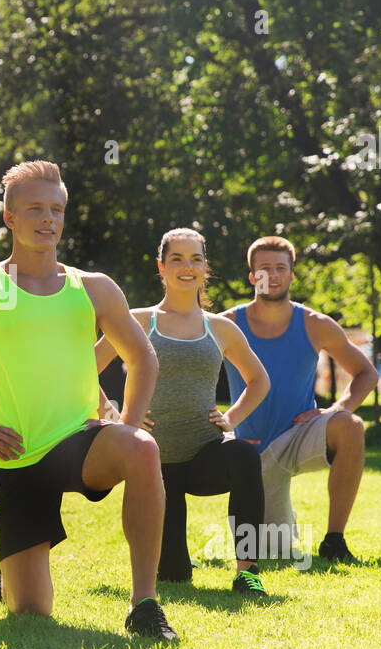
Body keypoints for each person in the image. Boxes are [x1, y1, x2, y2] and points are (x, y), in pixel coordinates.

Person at [0, 160, 176, 640]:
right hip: (17, 458)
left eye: (56, 209)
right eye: (35, 209)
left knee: (142, 448)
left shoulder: (94, 288)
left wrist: (128, 424)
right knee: (30, 614)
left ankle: (144, 604)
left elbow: (143, 358)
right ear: (10, 218)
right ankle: (10, 572)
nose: (48, 219)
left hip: (80, 442)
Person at [96, 228, 271, 595]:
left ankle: (247, 571)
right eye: (176, 258)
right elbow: (84, 369)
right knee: (174, 576)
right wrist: (113, 414)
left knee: (243, 454)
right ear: (161, 266)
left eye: (195, 259)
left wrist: (232, 418)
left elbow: (259, 380)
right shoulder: (139, 320)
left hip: (204, 455)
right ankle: (176, 559)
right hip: (155, 466)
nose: (186, 267)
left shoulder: (221, 328)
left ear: (205, 267)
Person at [220, 236, 378, 563]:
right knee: (270, 552)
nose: (273, 275)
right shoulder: (226, 324)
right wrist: (223, 432)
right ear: (252, 277)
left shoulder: (316, 324)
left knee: (350, 425)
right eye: (264, 269)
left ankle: (334, 540)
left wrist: (337, 409)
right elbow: (189, 369)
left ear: (292, 276)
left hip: (298, 436)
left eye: (281, 268)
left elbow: (366, 373)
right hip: (249, 449)